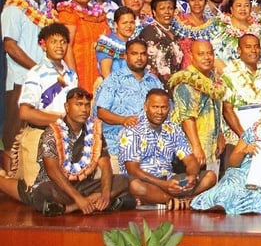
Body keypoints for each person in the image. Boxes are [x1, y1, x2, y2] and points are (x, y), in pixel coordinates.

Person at [0, 88, 131, 216]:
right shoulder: (51, 133)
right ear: (67, 107)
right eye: (79, 105)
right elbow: (53, 171)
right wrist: (78, 199)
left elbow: (105, 165)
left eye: (87, 105)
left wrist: (105, 194)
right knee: (43, 192)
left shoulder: (94, 131)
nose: (84, 110)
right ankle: (81, 204)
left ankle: (69, 208)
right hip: (57, 186)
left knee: (123, 181)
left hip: (83, 185)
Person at [191, 94, 261, 215]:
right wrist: (244, 150)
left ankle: (230, 208)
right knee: (230, 187)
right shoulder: (253, 131)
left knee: (255, 197)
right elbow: (233, 163)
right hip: (240, 175)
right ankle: (221, 206)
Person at [119, 89, 217, 209]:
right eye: (155, 107)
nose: (160, 112)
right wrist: (163, 185)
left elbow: (190, 160)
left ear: (169, 108)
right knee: (136, 186)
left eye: (164, 108)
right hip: (148, 182)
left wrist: (192, 176)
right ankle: (176, 201)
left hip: (170, 181)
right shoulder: (133, 130)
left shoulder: (172, 129)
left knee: (210, 177)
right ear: (145, 107)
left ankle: (176, 201)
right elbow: (133, 170)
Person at [2, 0, 56, 170]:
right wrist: (36, 69)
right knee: (15, 128)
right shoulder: (14, 8)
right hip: (22, 78)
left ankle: (29, 173)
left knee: (37, 129)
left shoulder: (49, 9)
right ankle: (7, 176)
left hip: (46, 79)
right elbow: (10, 45)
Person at [12, 24, 79, 185]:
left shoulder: (71, 75)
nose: (59, 46)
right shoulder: (36, 73)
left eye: (63, 42)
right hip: (40, 136)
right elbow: (25, 113)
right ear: (43, 44)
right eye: (54, 41)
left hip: (67, 139)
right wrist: (62, 119)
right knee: (37, 191)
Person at [94, 38, 163, 172]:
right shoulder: (113, 80)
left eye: (143, 54)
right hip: (117, 149)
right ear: (126, 56)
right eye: (134, 54)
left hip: (149, 151)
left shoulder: (154, 81)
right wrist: (123, 120)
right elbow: (101, 112)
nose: (139, 58)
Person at [170, 40, 226, 169]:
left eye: (209, 53)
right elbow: (187, 118)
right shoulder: (186, 81)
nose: (206, 57)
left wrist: (220, 135)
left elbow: (217, 110)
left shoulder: (214, 80)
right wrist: (196, 147)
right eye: (201, 54)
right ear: (191, 57)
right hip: (192, 151)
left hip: (212, 147)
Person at [220, 34, 261, 153]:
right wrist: (246, 139)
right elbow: (227, 110)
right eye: (248, 47)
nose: (253, 50)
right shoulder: (229, 74)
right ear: (239, 50)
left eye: (256, 47)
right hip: (237, 140)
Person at [57, 0, 110, 93]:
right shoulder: (68, 13)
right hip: (80, 71)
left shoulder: (100, 14)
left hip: (100, 71)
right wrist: (73, 77)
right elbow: (66, 46)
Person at [138, 0, 184, 90]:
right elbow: (150, 67)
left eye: (170, 8)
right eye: (162, 8)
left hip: (174, 88)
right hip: (157, 89)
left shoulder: (175, 32)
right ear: (154, 12)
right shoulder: (150, 32)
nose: (167, 12)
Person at [173, 0, 220, 68]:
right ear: (188, 1)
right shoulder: (179, 20)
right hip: (182, 70)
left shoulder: (212, 25)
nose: (196, 3)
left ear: (206, 1)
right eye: (193, 0)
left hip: (205, 69)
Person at [211, 0, 261, 71]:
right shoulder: (219, 28)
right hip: (226, 77)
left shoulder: (259, 29)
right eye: (239, 5)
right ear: (231, 8)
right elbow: (214, 58)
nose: (243, 9)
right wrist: (233, 78)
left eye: (246, 5)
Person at [95, 6, 137, 78]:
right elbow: (106, 73)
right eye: (124, 23)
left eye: (132, 22)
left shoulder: (134, 44)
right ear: (116, 25)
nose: (129, 26)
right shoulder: (107, 43)